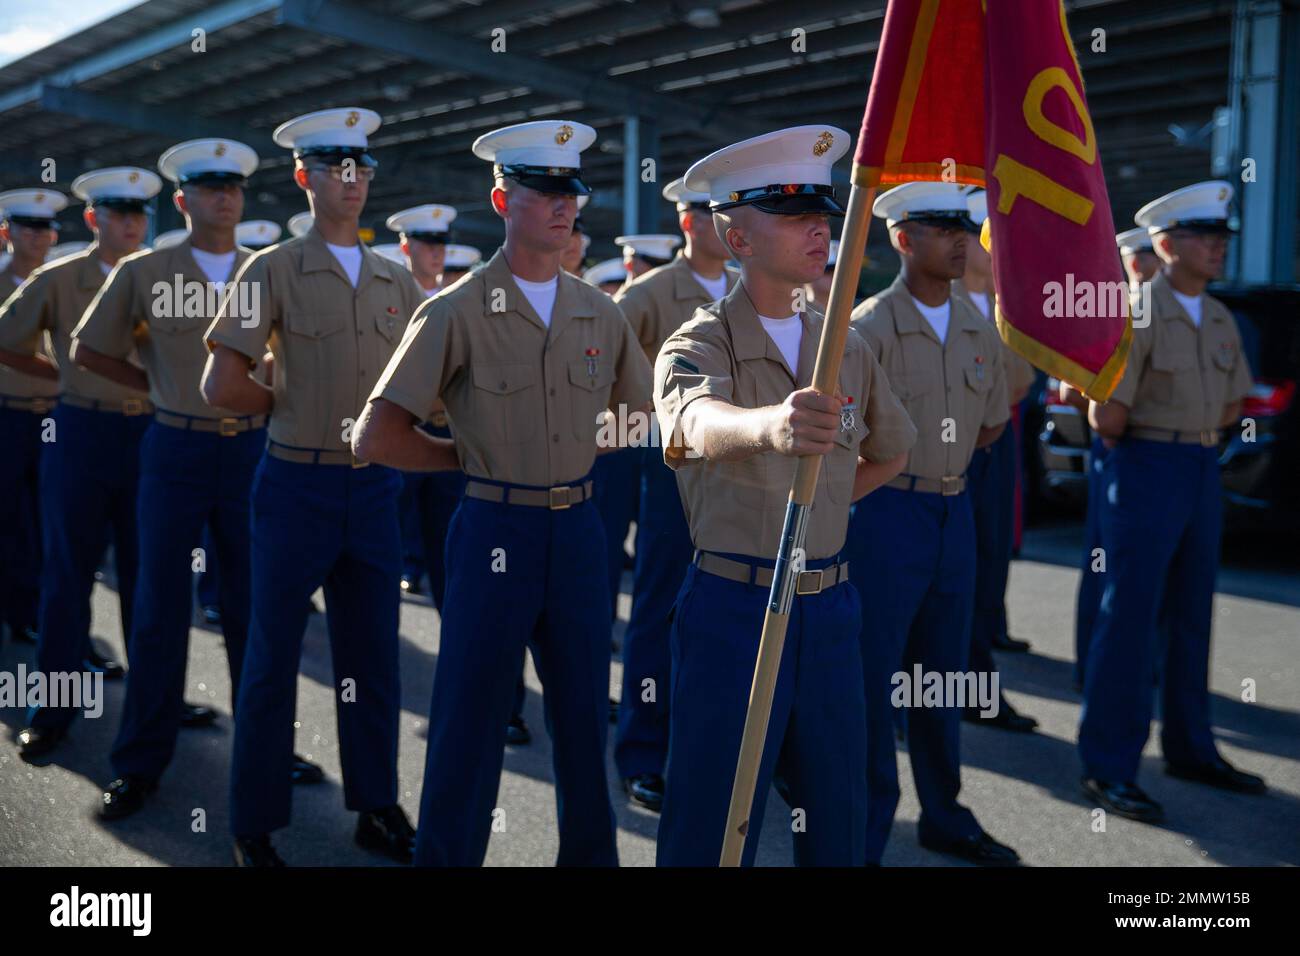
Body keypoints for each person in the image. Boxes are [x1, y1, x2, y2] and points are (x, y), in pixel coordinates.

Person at [353, 119, 652, 866]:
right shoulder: (454, 309)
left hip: (581, 532)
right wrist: (472, 457)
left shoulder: (600, 311)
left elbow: (641, 421)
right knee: (470, 718)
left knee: (585, 722)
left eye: (570, 192)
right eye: (543, 190)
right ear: (501, 198)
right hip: (493, 529)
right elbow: (375, 435)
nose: (562, 206)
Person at [654, 125, 915, 866]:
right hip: (735, 605)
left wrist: (827, 509)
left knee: (837, 813)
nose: (819, 226)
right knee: (709, 814)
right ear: (736, 236)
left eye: (821, 212)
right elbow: (692, 423)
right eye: (792, 212)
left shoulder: (846, 344)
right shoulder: (699, 342)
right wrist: (772, 426)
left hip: (828, 606)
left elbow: (892, 452)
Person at [201, 107, 425, 866]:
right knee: (271, 658)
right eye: (334, 168)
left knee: (375, 660)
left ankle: (376, 804)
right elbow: (221, 383)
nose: (352, 182)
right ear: (304, 177)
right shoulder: (271, 269)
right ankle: (253, 821)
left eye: (361, 168)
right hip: (294, 484)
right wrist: (289, 407)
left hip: (372, 491)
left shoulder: (398, 281)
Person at [72, 138, 320, 817]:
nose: (226, 198)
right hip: (175, 451)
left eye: (234, 188)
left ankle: (267, 749)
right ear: (182, 201)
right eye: (211, 189)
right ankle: (141, 761)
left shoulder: (270, 268)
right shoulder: (148, 270)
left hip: (250, 454)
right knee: (159, 608)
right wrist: (156, 385)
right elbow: (89, 348)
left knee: (257, 608)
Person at [845, 181, 1021, 866]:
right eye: (942, 228)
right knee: (873, 673)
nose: (958, 241)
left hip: (954, 509)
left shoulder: (981, 326)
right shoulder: (868, 327)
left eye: (963, 229)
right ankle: (862, 825)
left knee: (942, 675)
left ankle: (944, 812)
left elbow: (991, 427)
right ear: (902, 237)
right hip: (887, 511)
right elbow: (849, 440)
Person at [1080, 181, 1265, 823]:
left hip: (1198, 464)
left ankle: (1190, 747)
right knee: (1128, 618)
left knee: (1192, 613)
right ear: (1166, 244)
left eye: (1221, 238)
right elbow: (1107, 416)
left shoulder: (1217, 316)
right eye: (1204, 237)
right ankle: (1108, 768)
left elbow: (1235, 399)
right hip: (1146, 463)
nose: (1217, 248)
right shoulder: (1136, 311)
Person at [0, 168, 160, 760]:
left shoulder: (164, 278)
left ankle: (154, 703)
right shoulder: (60, 278)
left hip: (149, 433)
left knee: (150, 579)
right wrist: (63, 375)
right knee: (68, 573)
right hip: (83, 431)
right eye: (119, 214)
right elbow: (5, 337)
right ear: (94, 220)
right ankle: (54, 706)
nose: (131, 224)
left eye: (139, 214)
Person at [611, 175, 738, 813]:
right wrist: (646, 435)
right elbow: (604, 374)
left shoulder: (759, 290)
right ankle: (643, 752)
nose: (727, 225)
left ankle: (728, 753)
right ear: (689, 221)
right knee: (661, 609)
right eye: (715, 213)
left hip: (748, 471)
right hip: (675, 470)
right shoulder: (650, 294)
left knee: (740, 611)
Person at [951, 188, 1039, 734]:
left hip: (997, 441)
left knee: (989, 572)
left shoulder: (1007, 308)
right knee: (944, 580)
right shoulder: (947, 306)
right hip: (952, 447)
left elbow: (1023, 382)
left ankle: (978, 685)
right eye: (991, 238)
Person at [1067, 227, 1161, 687]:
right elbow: (1069, 384)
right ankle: (1093, 664)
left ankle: (1141, 662)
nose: (1145, 266)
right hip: (1118, 449)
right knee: (1105, 563)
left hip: (1154, 453)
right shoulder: (1112, 309)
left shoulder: (1167, 311)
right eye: (1140, 257)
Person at [0, 189, 62, 648]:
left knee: (48, 519)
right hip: (5, 415)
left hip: (55, 416)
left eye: (44, 230)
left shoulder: (64, 282)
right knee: (7, 518)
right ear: (7, 233)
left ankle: (35, 611)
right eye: (28, 228)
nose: (38, 237)